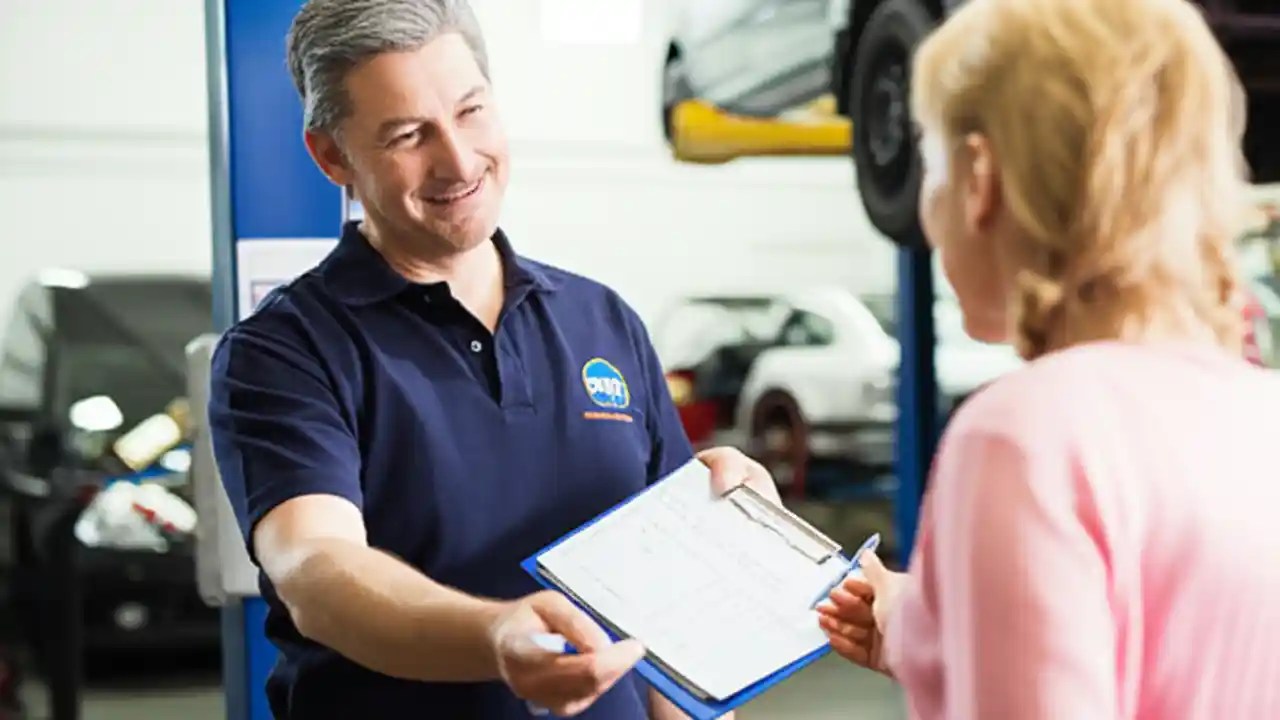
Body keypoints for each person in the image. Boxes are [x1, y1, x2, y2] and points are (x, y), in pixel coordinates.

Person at [205, 1, 776, 718]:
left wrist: (732, 535)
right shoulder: (286, 352)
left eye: (471, 111)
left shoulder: (600, 321)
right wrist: (494, 636)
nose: (458, 160)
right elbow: (317, 570)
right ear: (332, 156)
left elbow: (667, 618)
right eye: (409, 135)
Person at [818, 0, 1280, 717]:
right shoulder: (1258, 411)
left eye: (930, 157)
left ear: (979, 179)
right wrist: (932, 630)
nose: (928, 209)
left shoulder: (1024, 436)